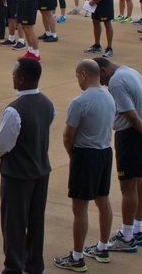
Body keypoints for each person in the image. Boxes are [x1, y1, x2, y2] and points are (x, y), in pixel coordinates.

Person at [0, 58, 55, 274]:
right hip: (41, 171)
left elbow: (2, 145)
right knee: (36, 222)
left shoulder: (14, 111)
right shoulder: (48, 104)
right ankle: (34, 265)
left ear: (23, 79)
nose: (13, 77)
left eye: (15, 74)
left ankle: (13, 268)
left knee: (14, 223)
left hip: (17, 175)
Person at [94, 58, 142, 253]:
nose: (101, 84)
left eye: (100, 79)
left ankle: (126, 237)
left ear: (103, 70)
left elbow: (131, 115)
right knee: (138, 183)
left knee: (128, 188)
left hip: (132, 135)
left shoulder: (116, 82)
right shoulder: (133, 72)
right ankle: (137, 230)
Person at [54, 59, 116, 270]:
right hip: (105, 153)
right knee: (103, 200)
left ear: (83, 75)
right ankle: (103, 247)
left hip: (85, 154)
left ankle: (77, 257)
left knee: (80, 208)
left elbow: (67, 136)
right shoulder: (109, 97)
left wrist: (74, 156)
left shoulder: (80, 102)